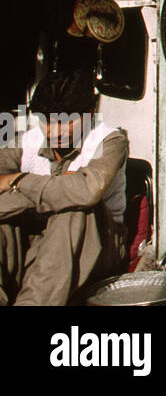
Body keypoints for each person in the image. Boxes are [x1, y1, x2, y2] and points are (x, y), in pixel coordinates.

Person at [0, 72, 127, 306]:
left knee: (75, 207)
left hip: (96, 244)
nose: (55, 131)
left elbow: (86, 192)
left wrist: (17, 181)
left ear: (89, 114)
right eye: (47, 121)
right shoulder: (27, 140)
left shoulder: (109, 140)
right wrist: (53, 188)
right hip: (38, 237)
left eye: (66, 121)